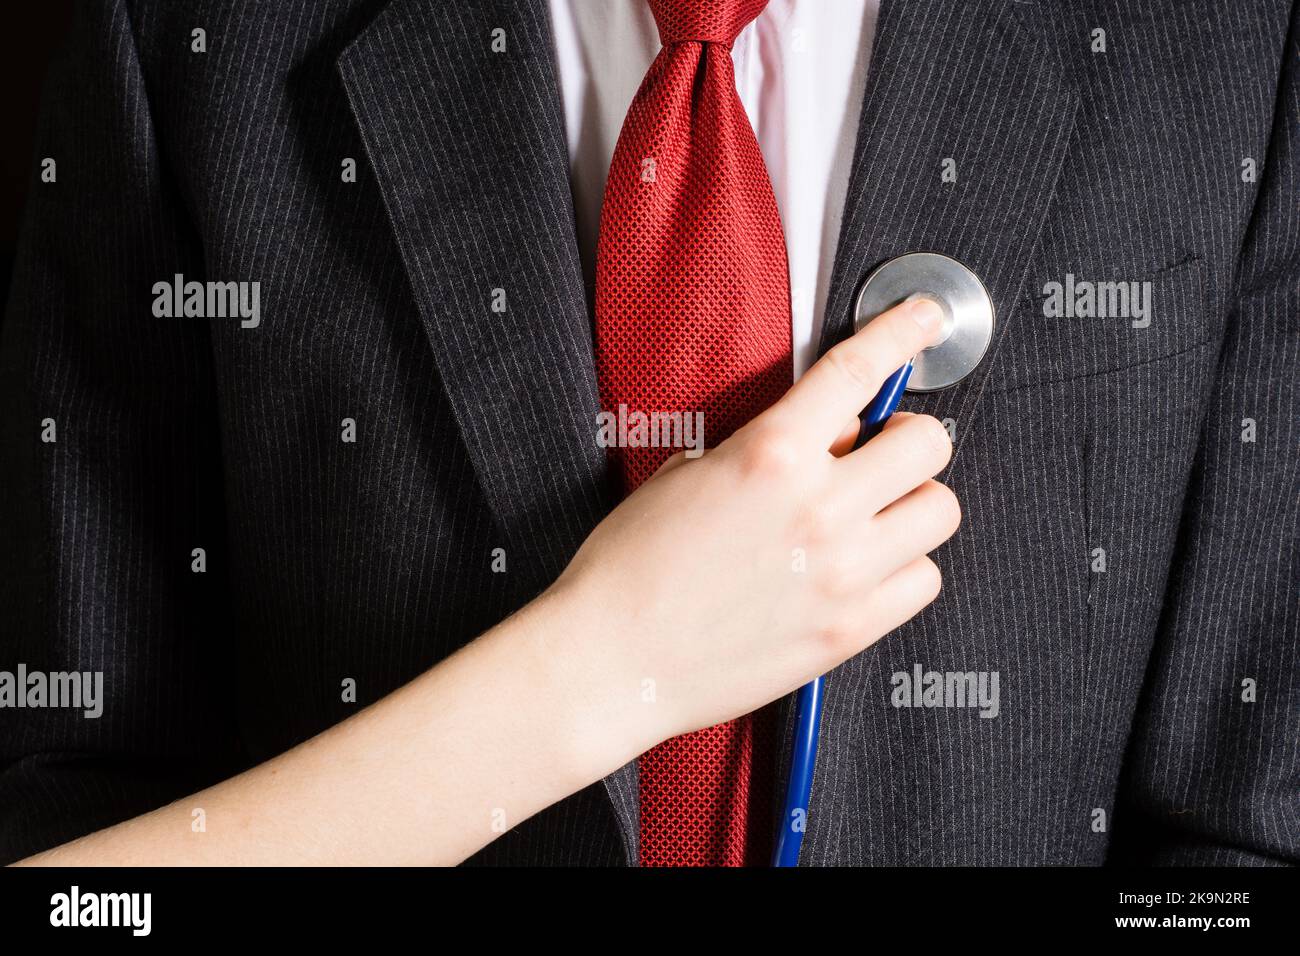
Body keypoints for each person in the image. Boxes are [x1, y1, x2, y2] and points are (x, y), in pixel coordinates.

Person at [1, 0, 1297, 867]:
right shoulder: (181, 41)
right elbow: (79, 820)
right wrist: (619, 662)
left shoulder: (1237, 42)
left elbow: (1249, 840)